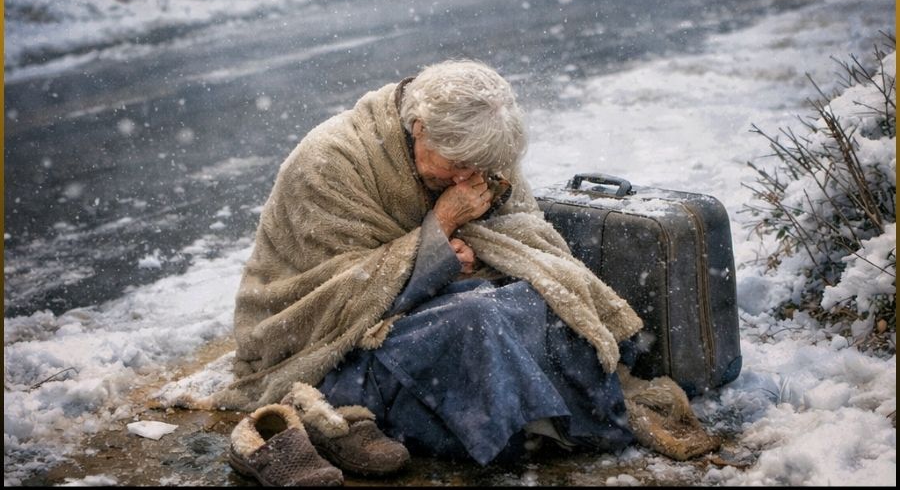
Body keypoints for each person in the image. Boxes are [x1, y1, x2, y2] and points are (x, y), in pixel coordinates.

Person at [212, 60, 718, 479]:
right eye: (455, 168)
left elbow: (525, 236)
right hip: (337, 337)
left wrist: (472, 253)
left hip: (440, 300)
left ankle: (539, 417)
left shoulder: (479, 151)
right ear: (419, 129)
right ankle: (530, 423)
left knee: (549, 297)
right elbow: (338, 297)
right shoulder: (330, 161)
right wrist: (440, 233)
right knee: (472, 321)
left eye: (480, 170)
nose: (468, 180)